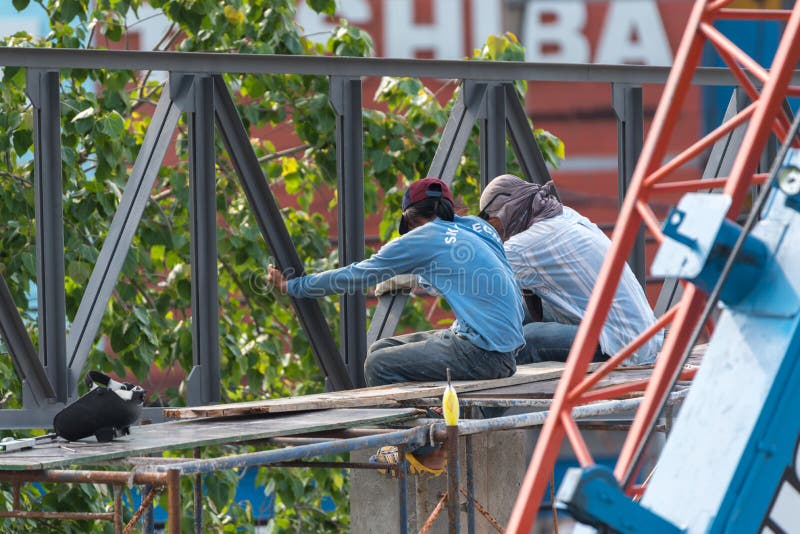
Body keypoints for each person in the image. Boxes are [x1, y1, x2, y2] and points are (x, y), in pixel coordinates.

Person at [268, 177, 525, 387]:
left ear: (410, 220)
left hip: (484, 354)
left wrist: (294, 286)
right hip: (507, 350)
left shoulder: (424, 236)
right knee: (381, 348)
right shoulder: (479, 227)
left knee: (377, 365)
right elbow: (464, 276)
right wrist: (416, 276)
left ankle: (424, 431)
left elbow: (359, 275)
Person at [478, 174, 663, 366]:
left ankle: (475, 367)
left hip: (623, 345)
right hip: (643, 335)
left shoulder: (526, 244)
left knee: (527, 338)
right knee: (517, 311)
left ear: (508, 210)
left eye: (490, 218)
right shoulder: (564, 214)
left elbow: (477, 276)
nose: (491, 227)